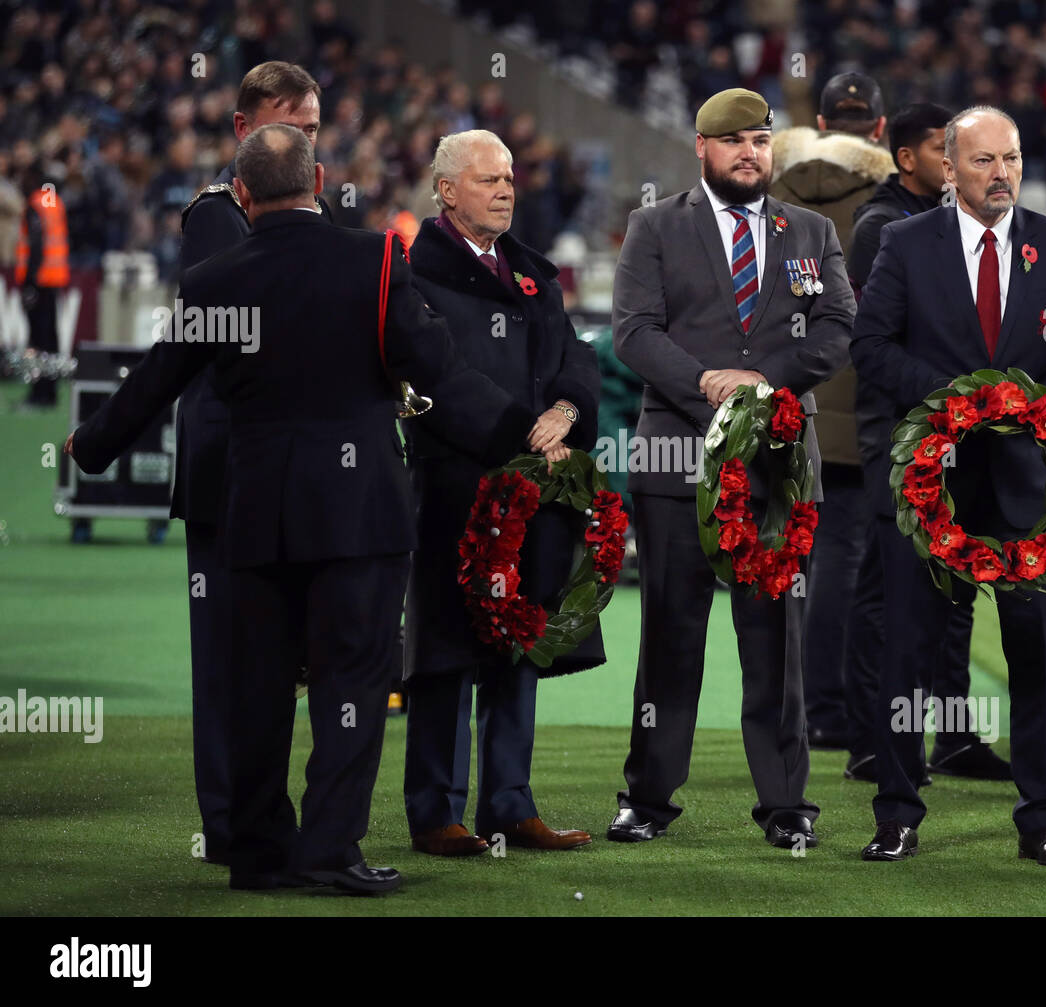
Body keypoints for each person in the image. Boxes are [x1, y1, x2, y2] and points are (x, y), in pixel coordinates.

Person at [66, 124, 537, 893]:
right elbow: (442, 375)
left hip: (256, 512)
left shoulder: (214, 279)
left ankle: (256, 852)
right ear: (319, 178)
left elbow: (153, 383)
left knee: (257, 686)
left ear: (242, 195)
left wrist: (87, 445)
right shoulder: (377, 258)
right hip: (360, 516)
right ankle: (328, 851)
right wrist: (523, 435)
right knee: (351, 684)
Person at [851, 106, 1046, 866]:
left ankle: (1043, 818)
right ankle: (897, 811)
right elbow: (869, 347)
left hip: (1030, 488)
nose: (1001, 173)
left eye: (1012, 159)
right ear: (947, 166)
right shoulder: (905, 244)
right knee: (907, 648)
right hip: (929, 483)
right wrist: (956, 401)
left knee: (1036, 649)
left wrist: (1045, 407)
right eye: (982, 161)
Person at [608, 88, 854, 849]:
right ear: (701, 148)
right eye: (734, 141)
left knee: (775, 635)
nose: (751, 152)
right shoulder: (655, 225)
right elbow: (633, 331)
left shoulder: (810, 229)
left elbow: (838, 324)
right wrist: (707, 383)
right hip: (677, 449)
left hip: (778, 463)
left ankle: (785, 804)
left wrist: (761, 381)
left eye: (760, 139)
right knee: (670, 632)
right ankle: (648, 796)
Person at [402, 129, 603, 856]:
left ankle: (509, 804)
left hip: (534, 489)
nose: (507, 189)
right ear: (448, 191)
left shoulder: (531, 272)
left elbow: (574, 357)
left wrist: (568, 414)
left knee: (520, 640)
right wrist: (526, 429)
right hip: (455, 489)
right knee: (447, 648)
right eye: (489, 180)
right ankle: (435, 811)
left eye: (510, 178)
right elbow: (439, 376)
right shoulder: (412, 274)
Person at [174, 61, 331, 867]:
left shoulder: (308, 212)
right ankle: (232, 822)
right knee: (231, 659)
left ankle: (260, 818)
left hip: (280, 465)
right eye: (289, 127)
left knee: (274, 659)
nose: (304, 141)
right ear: (243, 131)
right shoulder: (213, 216)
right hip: (229, 466)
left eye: (311, 128)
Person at [845, 101, 1011, 784]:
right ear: (908, 157)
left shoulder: (956, 229)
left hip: (961, 445)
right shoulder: (886, 230)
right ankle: (870, 741)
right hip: (904, 442)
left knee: (956, 589)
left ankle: (955, 733)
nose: (957, 164)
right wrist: (953, 389)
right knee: (890, 597)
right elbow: (874, 346)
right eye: (945, 152)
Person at [769, 71, 894, 752]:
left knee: (794, 561)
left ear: (820, 124)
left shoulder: (770, 192)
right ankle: (829, 707)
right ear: (879, 128)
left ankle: (796, 708)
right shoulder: (885, 204)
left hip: (782, 398)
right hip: (859, 405)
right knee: (848, 560)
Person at [13, 162, 69, 409]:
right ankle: (51, 391)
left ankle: (39, 394)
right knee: (51, 338)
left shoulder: (35, 204)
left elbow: (35, 243)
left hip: (39, 280)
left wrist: (29, 283)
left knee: (38, 339)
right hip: (54, 278)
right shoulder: (55, 203)